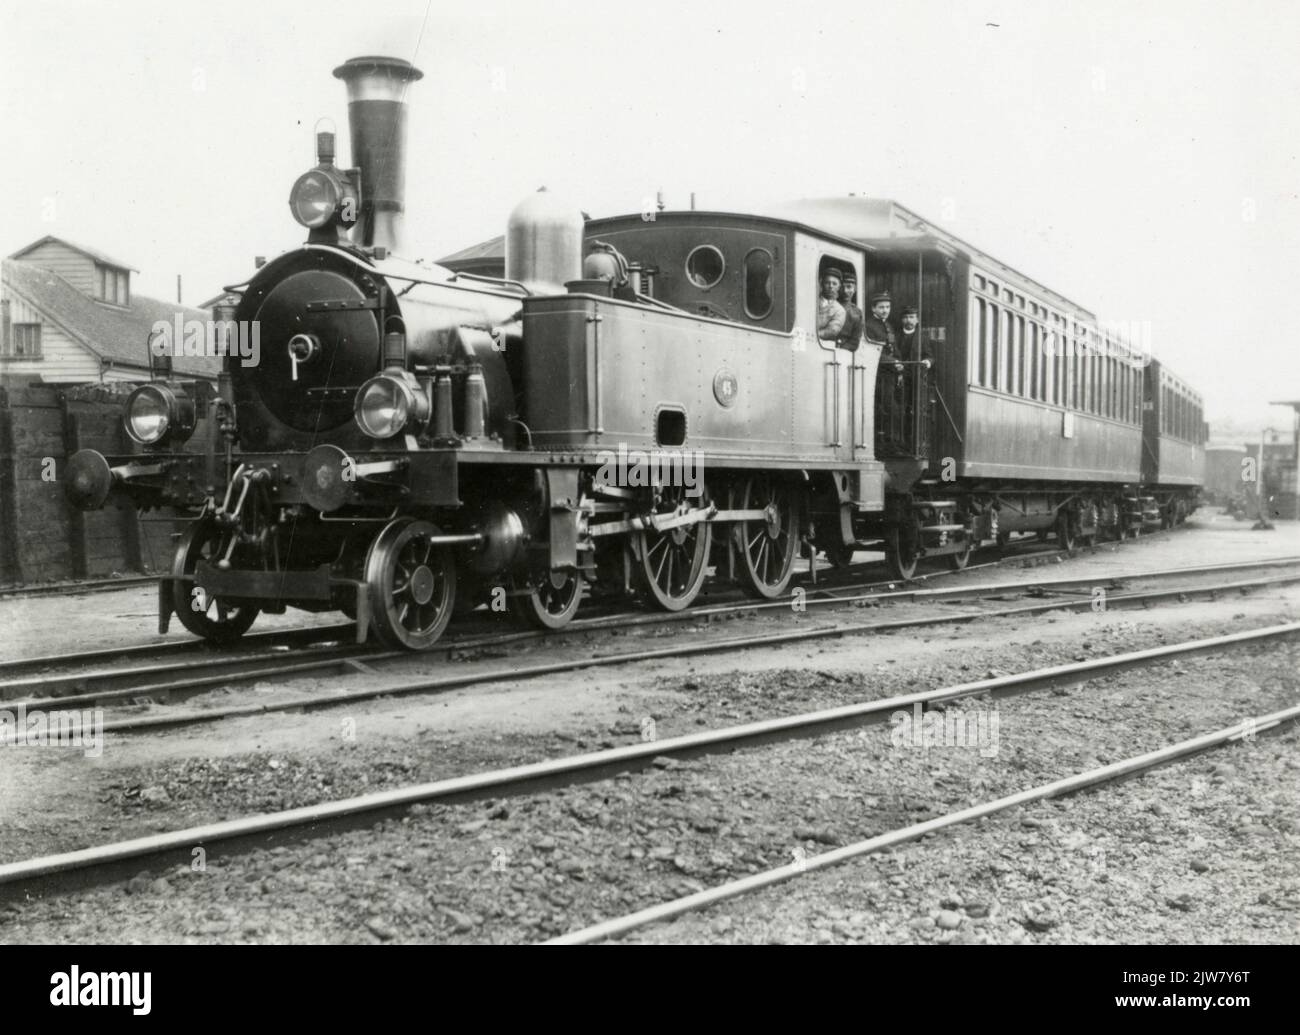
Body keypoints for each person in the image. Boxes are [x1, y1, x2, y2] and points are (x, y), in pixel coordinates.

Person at [897, 305, 932, 369]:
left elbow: (929, 356)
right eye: (905, 317)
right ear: (902, 320)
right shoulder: (896, 336)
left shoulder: (923, 337)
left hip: (915, 373)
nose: (908, 320)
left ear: (917, 320)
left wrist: (927, 361)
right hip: (898, 372)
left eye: (911, 317)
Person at [837, 272, 864, 351]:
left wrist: (839, 349)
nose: (845, 291)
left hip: (844, 353)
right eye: (842, 287)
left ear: (855, 289)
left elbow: (854, 342)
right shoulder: (829, 305)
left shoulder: (857, 313)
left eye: (849, 287)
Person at [817, 269, 846, 340]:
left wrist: (814, 334)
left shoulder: (839, 310)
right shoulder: (812, 300)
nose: (830, 286)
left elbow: (831, 331)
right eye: (827, 283)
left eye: (834, 284)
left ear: (839, 287)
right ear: (822, 284)